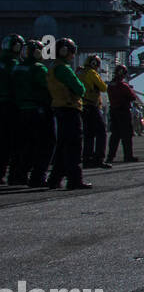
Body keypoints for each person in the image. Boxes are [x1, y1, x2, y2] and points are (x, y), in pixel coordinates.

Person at [47, 37, 91, 190]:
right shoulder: (64, 69)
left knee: (62, 146)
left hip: (59, 108)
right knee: (73, 146)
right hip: (70, 108)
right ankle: (74, 180)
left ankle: (54, 179)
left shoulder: (53, 68)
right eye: (72, 52)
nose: (73, 55)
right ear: (66, 52)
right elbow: (80, 89)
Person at [11, 39, 54, 187]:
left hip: (19, 110)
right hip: (37, 110)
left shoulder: (17, 68)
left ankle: (17, 175)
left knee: (23, 145)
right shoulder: (38, 68)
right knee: (44, 145)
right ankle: (38, 177)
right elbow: (48, 89)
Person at [78, 53, 109, 169]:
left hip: (83, 105)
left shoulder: (80, 72)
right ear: (95, 64)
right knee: (101, 133)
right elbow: (103, 87)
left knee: (88, 134)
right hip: (91, 105)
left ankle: (87, 159)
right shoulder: (92, 73)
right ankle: (98, 159)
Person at [0, 34, 22, 183]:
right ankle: (15, 175)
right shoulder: (14, 64)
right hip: (11, 105)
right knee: (15, 141)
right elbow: (20, 85)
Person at [106, 65, 140, 162]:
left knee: (115, 135)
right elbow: (133, 96)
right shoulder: (124, 85)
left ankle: (110, 156)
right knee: (127, 135)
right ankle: (128, 156)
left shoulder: (111, 85)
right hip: (123, 111)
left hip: (113, 110)